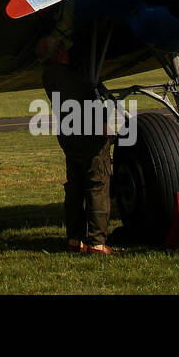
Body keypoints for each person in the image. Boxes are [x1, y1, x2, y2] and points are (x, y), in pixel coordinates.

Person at [42, 54, 115, 255]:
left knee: (74, 188)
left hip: (69, 135)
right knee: (97, 185)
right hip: (90, 136)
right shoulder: (79, 75)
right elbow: (93, 97)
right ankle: (97, 243)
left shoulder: (49, 75)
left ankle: (75, 239)